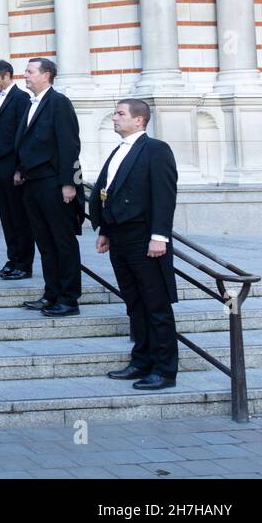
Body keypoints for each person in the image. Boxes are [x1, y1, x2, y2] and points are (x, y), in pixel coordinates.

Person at [91, 99, 180, 391]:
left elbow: (164, 195)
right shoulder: (119, 150)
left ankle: (165, 370)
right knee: (134, 303)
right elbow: (109, 193)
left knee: (156, 305)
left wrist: (159, 236)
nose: (114, 118)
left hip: (145, 239)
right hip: (119, 237)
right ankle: (141, 360)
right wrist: (104, 229)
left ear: (139, 120)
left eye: (120, 114)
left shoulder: (156, 149)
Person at [14, 57, 86, 317]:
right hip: (33, 183)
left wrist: (69, 183)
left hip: (54, 183)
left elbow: (69, 145)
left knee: (62, 241)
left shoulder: (59, 103)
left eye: (30, 71)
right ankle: (51, 293)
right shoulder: (30, 103)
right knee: (44, 242)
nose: (25, 75)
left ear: (46, 75)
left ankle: (69, 298)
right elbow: (27, 142)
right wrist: (20, 169)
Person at [0, 60, 34, 281]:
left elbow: (24, 135)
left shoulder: (21, 98)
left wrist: (20, 168)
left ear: (7, 75)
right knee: (6, 216)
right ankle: (13, 260)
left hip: (12, 166)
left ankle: (24, 264)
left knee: (19, 217)